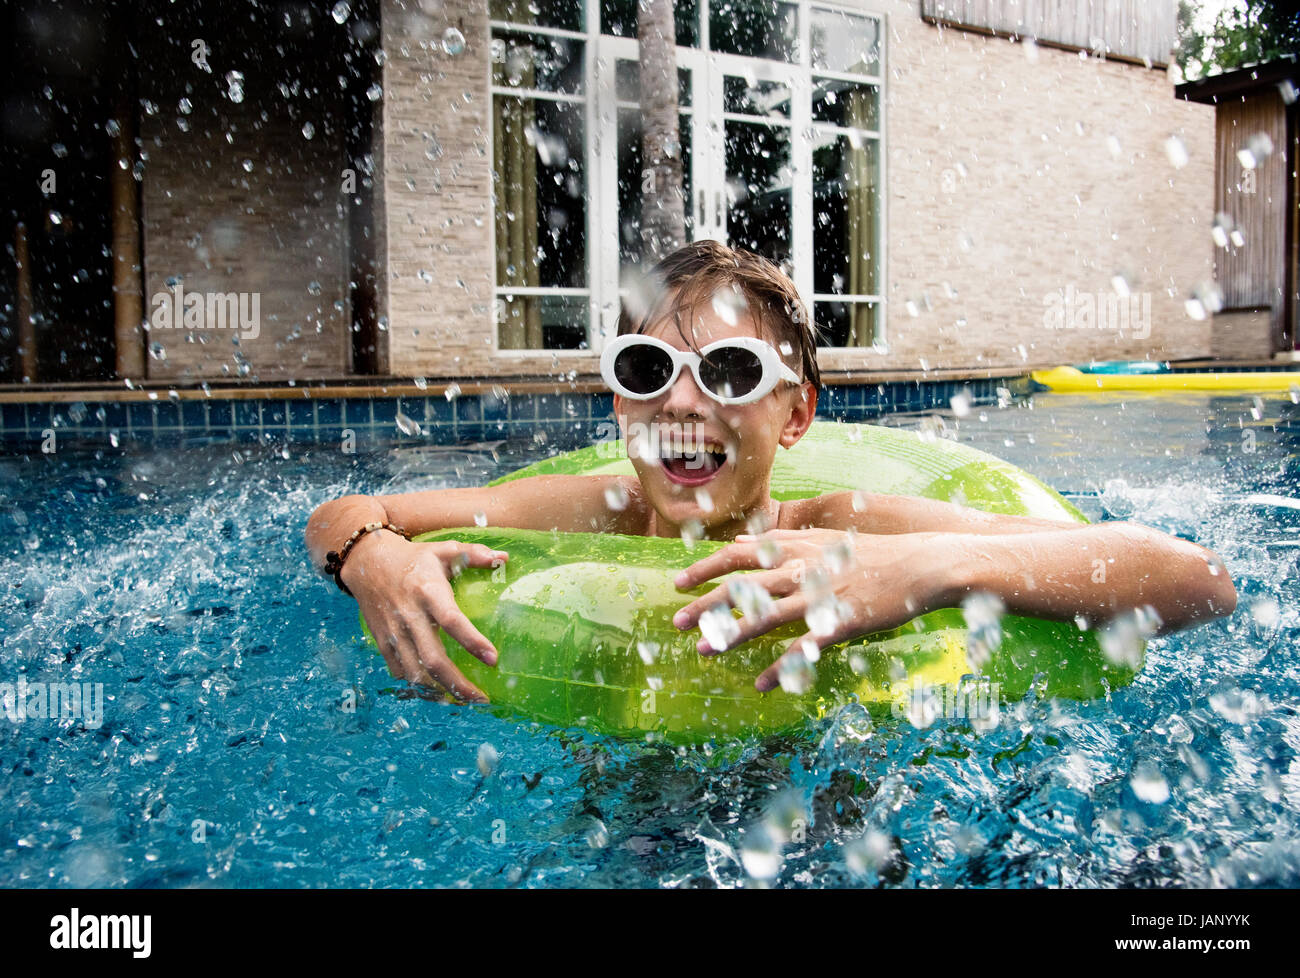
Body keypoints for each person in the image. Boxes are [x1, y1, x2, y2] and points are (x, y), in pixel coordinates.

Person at [305, 241, 1236, 702]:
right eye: (646, 370)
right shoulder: (606, 509)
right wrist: (372, 556)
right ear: (620, 403)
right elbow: (348, 510)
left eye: (731, 372)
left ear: (796, 414)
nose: (681, 404)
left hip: (822, 777)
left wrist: (925, 568)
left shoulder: (846, 524)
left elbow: (1199, 579)